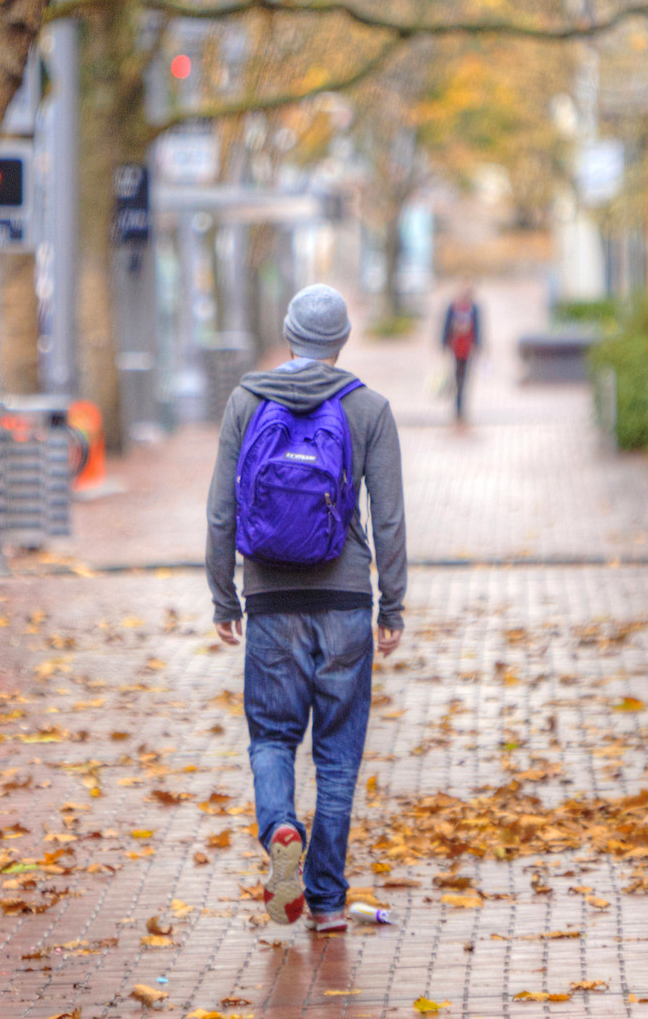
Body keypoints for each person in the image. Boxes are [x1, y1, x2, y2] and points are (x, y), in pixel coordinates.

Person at [206, 284, 406, 934]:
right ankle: (325, 902)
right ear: (341, 341)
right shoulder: (368, 407)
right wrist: (392, 605)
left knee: (271, 737)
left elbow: (221, 509)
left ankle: (280, 829)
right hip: (345, 601)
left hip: (270, 600)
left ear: (289, 334)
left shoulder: (246, 401)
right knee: (338, 758)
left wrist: (223, 594)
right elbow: (389, 518)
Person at [439, 286, 483, 423]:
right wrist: (444, 344)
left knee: (464, 379)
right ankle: (457, 407)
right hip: (455, 348)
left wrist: (478, 345)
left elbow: (477, 328)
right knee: (457, 378)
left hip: (467, 349)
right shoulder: (453, 307)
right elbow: (446, 326)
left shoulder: (473, 308)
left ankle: (461, 407)